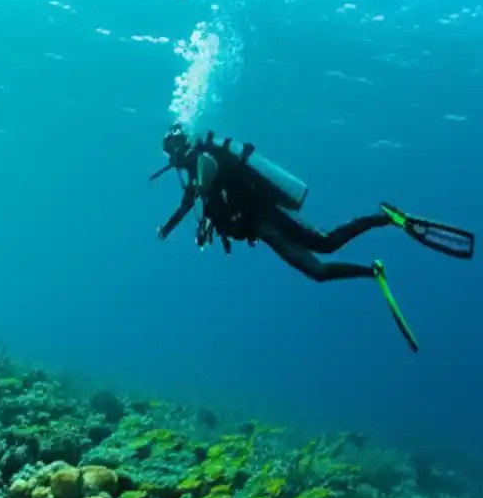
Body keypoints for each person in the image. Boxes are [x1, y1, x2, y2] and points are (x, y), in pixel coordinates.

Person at [150, 123, 475, 350]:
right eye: (169, 152)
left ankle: (385, 217)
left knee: (327, 243)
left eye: (172, 149)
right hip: (261, 231)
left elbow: (200, 189)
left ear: (182, 144)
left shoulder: (204, 158)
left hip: (270, 216)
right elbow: (190, 201)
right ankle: (373, 271)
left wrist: (194, 210)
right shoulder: (193, 173)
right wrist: (167, 229)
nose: (171, 157)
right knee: (317, 273)